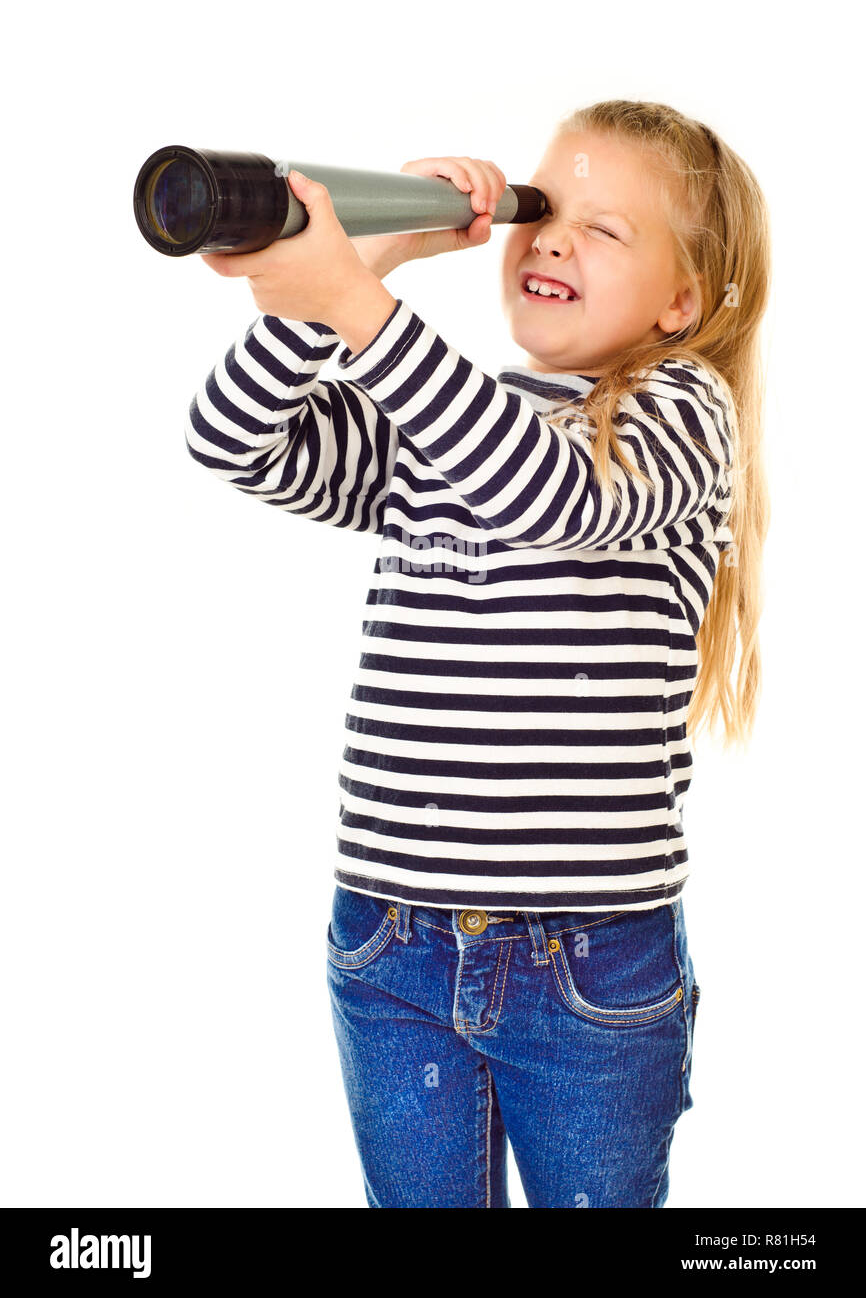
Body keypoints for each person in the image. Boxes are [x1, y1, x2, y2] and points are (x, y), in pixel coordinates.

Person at [186, 99, 771, 1208]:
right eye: (543, 212)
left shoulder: (681, 415)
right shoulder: (445, 418)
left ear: (681, 301)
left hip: (585, 962)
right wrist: (350, 277)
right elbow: (233, 440)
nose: (548, 238)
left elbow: (536, 491)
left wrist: (361, 311)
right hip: (390, 940)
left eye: (605, 230)